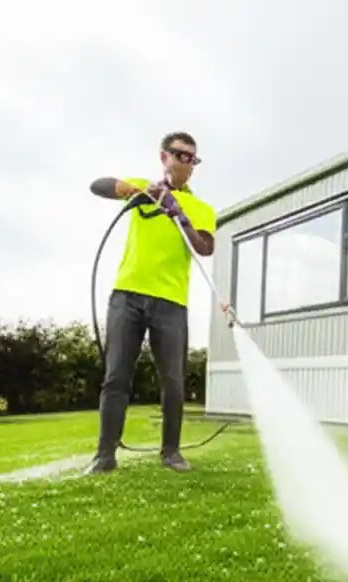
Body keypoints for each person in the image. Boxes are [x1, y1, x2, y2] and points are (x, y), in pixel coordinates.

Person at [87, 131, 217, 473]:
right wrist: (137, 191)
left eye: (192, 159)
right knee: (116, 377)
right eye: (180, 155)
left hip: (171, 302)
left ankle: (171, 452)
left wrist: (180, 215)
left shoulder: (201, 208)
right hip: (127, 296)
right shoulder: (143, 187)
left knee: (173, 381)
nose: (186, 163)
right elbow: (98, 186)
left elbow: (205, 248)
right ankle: (105, 455)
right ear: (164, 157)